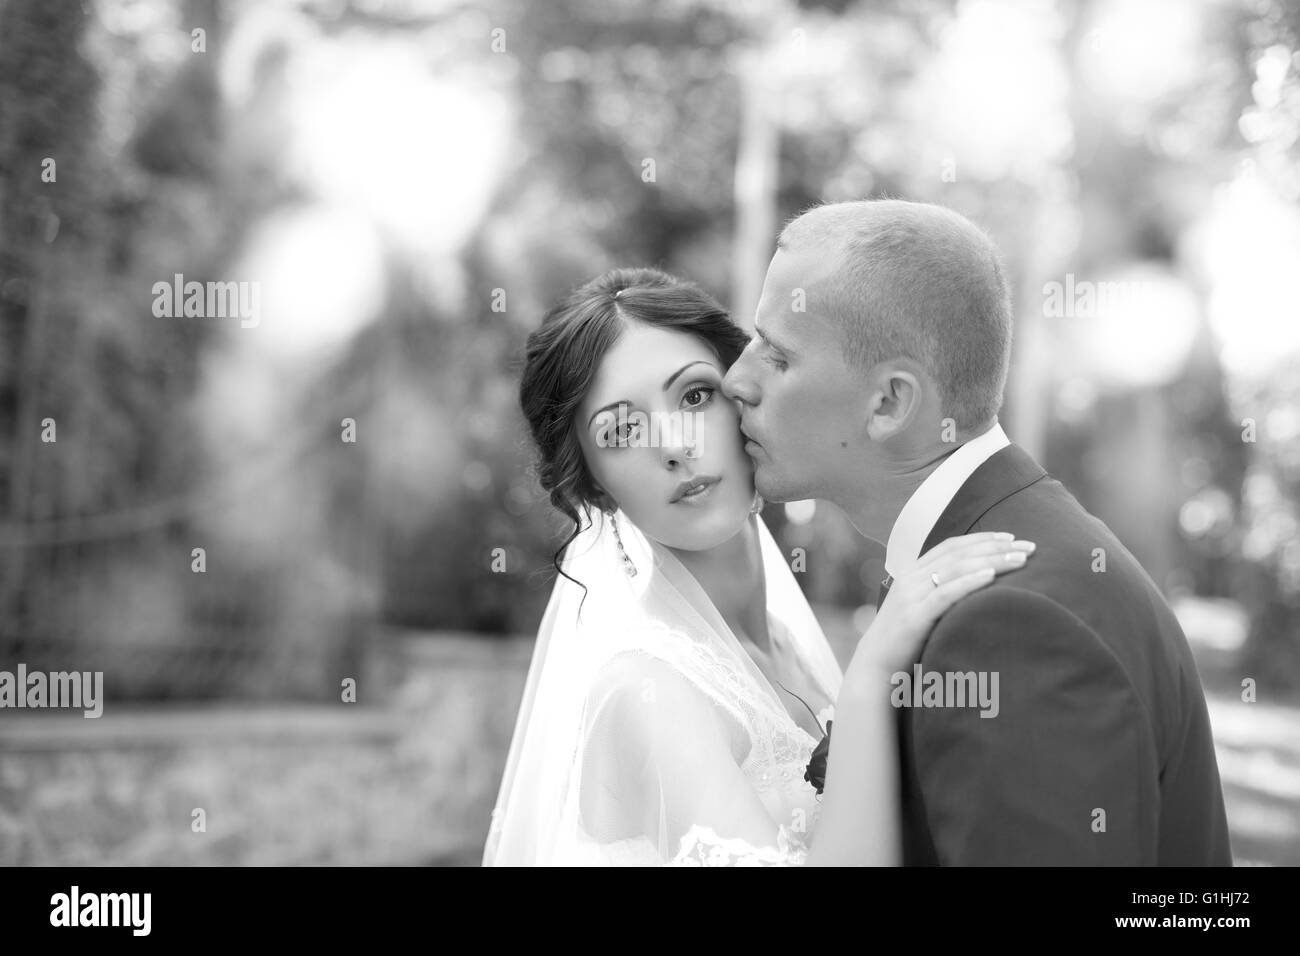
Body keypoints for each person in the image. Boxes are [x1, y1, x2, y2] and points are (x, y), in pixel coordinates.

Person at [721, 199, 1233, 865]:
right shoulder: (976, 557)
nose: (738, 378)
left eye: (777, 355)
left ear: (889, 403)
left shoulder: (1013, 623)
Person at [483, 267, 1034, 866]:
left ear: (747, 395)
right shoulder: (645, 691)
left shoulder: (786, 645)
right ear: (594, 482)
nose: (673, 445)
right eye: (622, 430)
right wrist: (872, 676)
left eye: (694, 397)